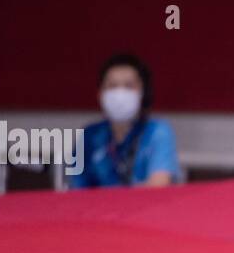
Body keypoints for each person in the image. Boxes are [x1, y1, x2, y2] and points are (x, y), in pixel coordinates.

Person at [69, 53, 180, 189]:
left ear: (143, 92)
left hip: (146, 209)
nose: (120, 94)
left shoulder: (157, 132)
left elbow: (159, 186)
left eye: (128, 86)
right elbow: (76, 191)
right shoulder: (89, 136)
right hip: (98, 210)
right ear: (100, 94)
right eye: (112, 86)